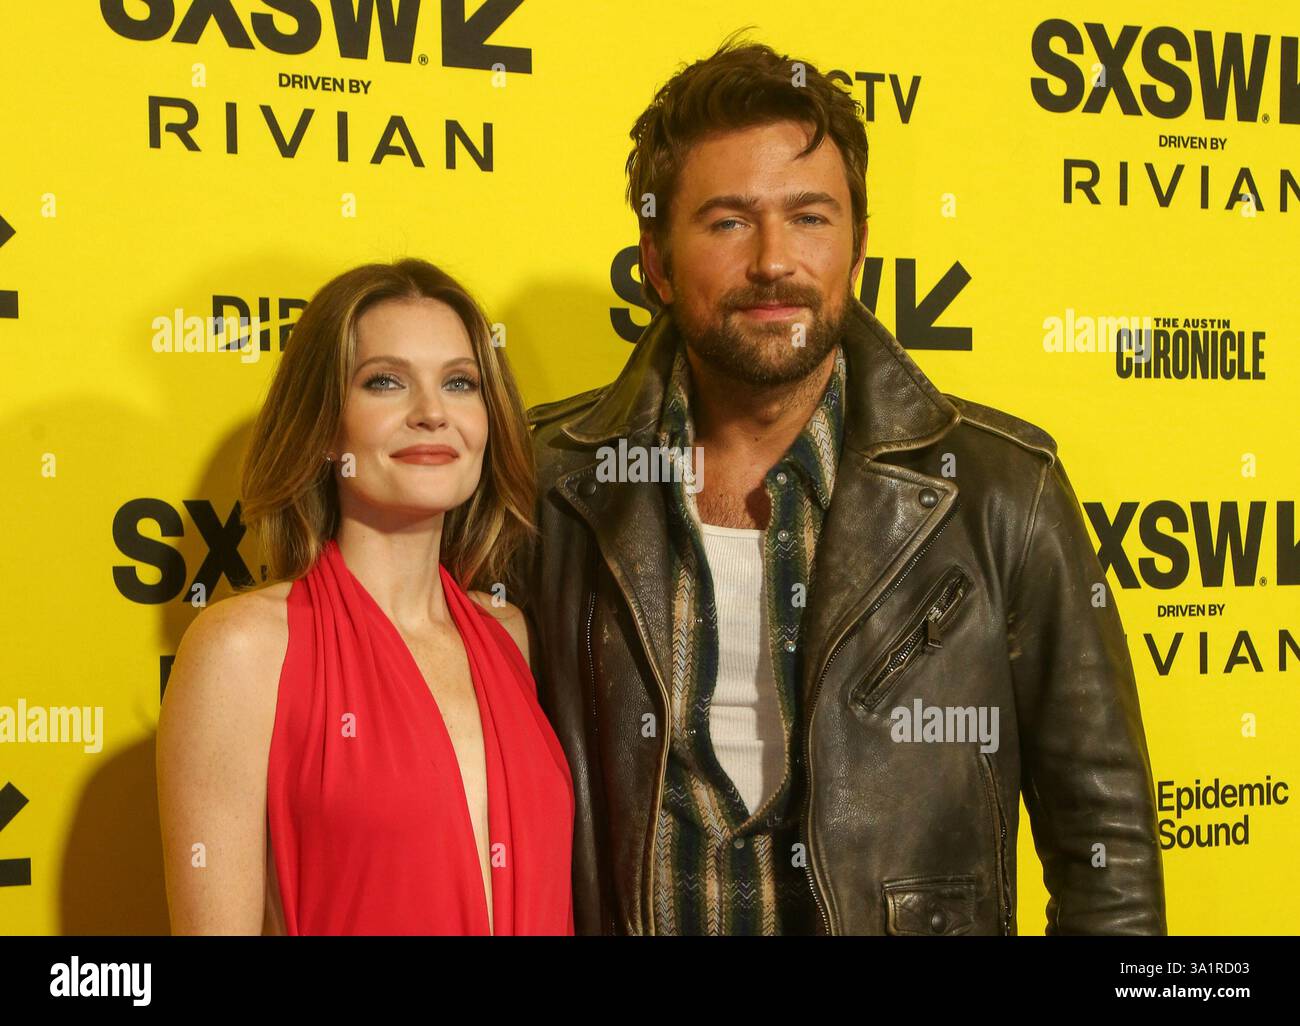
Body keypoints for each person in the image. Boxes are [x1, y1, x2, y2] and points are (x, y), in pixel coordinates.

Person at [517, 31, 1166, 935]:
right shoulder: (544, 482)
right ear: (657, 258)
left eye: (811, 217)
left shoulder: (998, 491)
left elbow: (1108, 845)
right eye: (728, 220)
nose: (774, 260)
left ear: (858, 248)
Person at [157, 258, 574, 935]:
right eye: (385, 382)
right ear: (324, 426)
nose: (432, 413)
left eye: (460, 383)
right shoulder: (244, 649)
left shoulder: (512, 638)